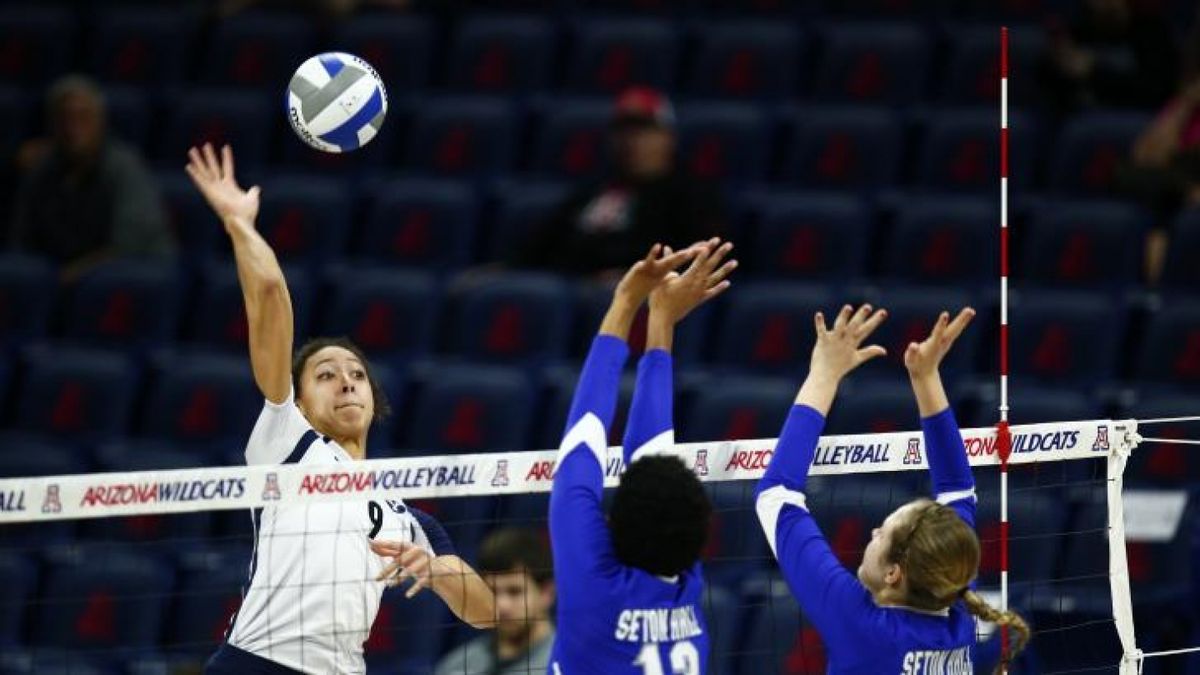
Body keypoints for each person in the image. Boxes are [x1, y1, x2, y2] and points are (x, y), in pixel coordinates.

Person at [185, 143, 494, 674]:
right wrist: (241, 227)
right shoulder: (288, 442)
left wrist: (439, 569)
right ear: (300, 400)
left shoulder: (403, 515)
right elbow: (269, 296)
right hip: (256, 664)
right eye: (326, 375)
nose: (347, 383)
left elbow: (488, 615)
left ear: (375, 399)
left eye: (356, 375)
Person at [755, 304, 1030, 672]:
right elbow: (957, 493)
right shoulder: (952, 596)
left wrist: (823, 375)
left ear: (893, 574)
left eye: (881, 533)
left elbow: (776, 497)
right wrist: (925, 376)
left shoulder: (863, 624)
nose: (872, 531)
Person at [549, 239, 736, 673]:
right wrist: (658, 319)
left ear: (612, 527)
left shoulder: (598, 592)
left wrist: (630, 299)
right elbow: (621, 455)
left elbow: (585, 438)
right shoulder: (684, 585)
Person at [510, 87, 725, 278]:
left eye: (644, 129)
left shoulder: (690, 195)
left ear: (668, 136)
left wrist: (637, 280)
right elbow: (542, 244)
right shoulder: (595, 189)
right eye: (623, 130)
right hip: (575, 292)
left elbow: (704, 261)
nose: (632, 140)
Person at [9, 75, 173, 281]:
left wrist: (73, 274)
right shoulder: (42, 170)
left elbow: (130, 245)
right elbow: (23, 241)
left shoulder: (126, 167)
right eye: (65, 118)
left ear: (100, 121)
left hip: (134, 278)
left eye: (83, 117)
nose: (74, 129)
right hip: (66, 276)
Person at [434, 528, 555, 675]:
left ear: (546, 593)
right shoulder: (456, 667)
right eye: (492, 592)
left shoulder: (569, 664)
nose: (502, 605)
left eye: (515, 591)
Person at [1038, 0, 1177, 115]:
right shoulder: (1076, 33)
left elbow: (1156, 92)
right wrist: (1058, 66)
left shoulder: (1152, 32)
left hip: (1136, 118)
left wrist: (1094, 72)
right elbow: (1054, 97)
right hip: (1084, 118)